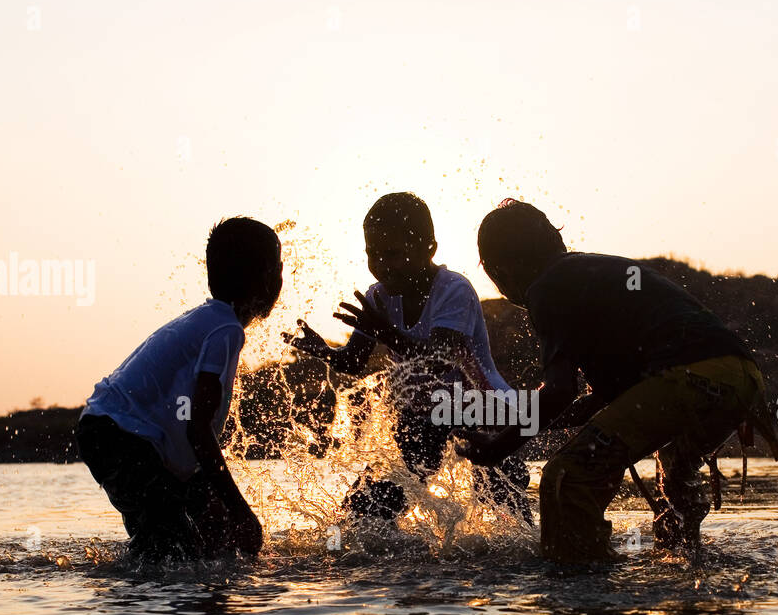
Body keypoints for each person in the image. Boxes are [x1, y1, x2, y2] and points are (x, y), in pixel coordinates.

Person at [457, 199, 778, 562]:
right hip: (740, 376)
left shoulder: (547, 287)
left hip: (690, 378)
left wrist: (496, 448)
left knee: (566, 478)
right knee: (673, 482)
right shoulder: (589, 277)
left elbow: (559, 393)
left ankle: (588, 594)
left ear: (502, 269)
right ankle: (685, 571)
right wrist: (508, 422)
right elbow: (601, 399)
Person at [283, 192, 531, 522]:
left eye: (393, 254)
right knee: (363, 511)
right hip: (425, 417)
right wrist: (324, 352)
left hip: (486, 412)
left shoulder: (453, 290)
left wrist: (385, 333)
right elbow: (355, 363)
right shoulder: (379, 297)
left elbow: (440, 358)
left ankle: (533, 562)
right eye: (373, 254)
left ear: (429, 248)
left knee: (506, 510)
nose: (382, 266)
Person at [75, 217, 281, 559]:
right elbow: (198, 429)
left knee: (205, 538)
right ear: (263, 280)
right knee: (172, 548)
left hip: (113, 432)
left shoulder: (210, 319)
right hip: (119, 437)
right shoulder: (225, 330)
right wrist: (242, 510)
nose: (281, 279)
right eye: (278, 269)